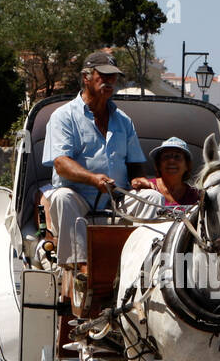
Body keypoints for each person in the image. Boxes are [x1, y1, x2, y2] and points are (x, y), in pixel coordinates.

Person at [41, 51, 163, 274]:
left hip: (117, 198)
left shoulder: (123, 121)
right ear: (86, 77)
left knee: (153, 197)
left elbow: (135, 164)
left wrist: (138, 179)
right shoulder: (64, 116)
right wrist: (92, 178)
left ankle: (143, 267)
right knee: (61, 197)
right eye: (103, 75)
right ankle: (79, 270)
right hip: (79, 198)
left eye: (113, 77)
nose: (109, 81)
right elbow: (60, 163)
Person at [131, 137, 201, 207]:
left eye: (177, 156)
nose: (171, 161)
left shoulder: (195, 195)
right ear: (158, 165)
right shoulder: (146, 186)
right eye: (166, 156)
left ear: (187, 166)